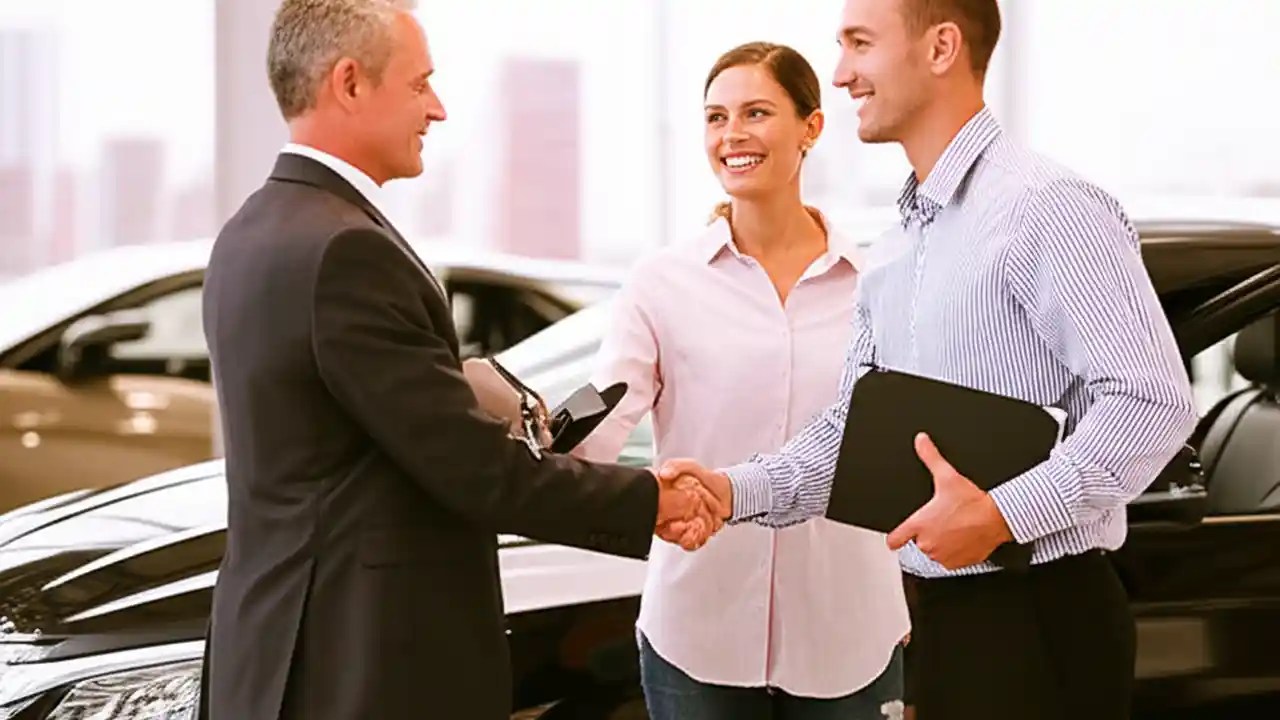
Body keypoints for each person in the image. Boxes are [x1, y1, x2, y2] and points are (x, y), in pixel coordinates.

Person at [659, 1, 1198, 719]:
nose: (842, 73)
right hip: (942, 615)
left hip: (1039, 615)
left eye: (859, 44)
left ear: (941, 47)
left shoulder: (1045, 207)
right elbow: (849, 439)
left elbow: (1151, 401)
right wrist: (730, 492)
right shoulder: (899, 247)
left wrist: (1002, 514)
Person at [197, 1, 716, 719]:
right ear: (349, 83)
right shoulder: (349, 250)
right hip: (360, 661)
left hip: (276, 647)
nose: (436, 109)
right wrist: (649, 500)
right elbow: (469, 466)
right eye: (419, 85)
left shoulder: (248, 233)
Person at [576, 41, 909, 720]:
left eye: (756, 112)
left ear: (811, 129)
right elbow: (600, 419)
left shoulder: (881, 285)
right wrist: (522, 449)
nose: (732, 135)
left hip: (849, 632)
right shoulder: (660, 284)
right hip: (698, 630)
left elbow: (903, 447)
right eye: (715, 117)